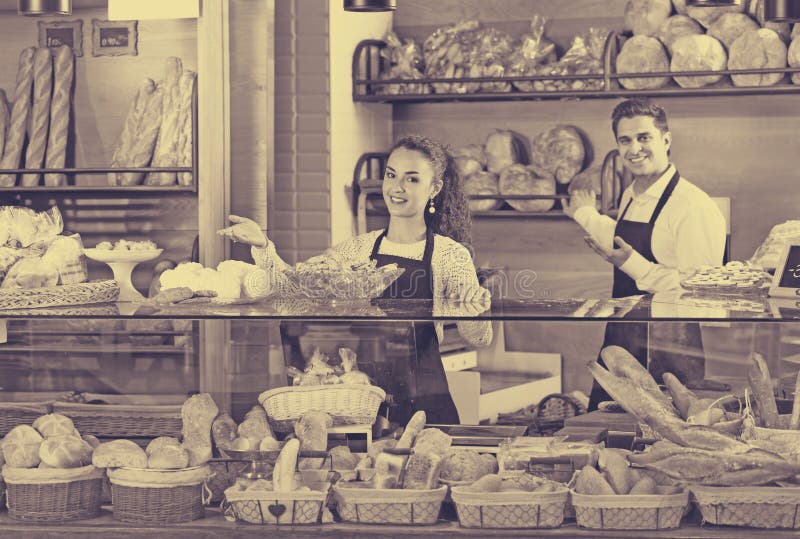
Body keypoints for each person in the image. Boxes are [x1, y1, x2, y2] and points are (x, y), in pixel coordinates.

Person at [219, 134, 493, 425]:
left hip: (426, 402)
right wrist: (262, 246)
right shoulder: (355, 250)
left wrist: (469, 308)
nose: (396, 188)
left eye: (412, 179)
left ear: (434, 188)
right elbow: (293, 287)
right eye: (391, 175)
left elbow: (480, 337)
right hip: (359, 401)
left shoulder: (450, 255)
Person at [564, 98, 726, 410]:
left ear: (666, 140)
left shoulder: (693, 206)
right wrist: (584, 215)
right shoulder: (631, 195)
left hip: (668, 351)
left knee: (663, 442)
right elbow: (619, 241)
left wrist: (632, 264)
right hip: (622, 337)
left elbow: (702, 290)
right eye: (625, 140)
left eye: (643, 138)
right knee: (609, 432)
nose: (634, 149)